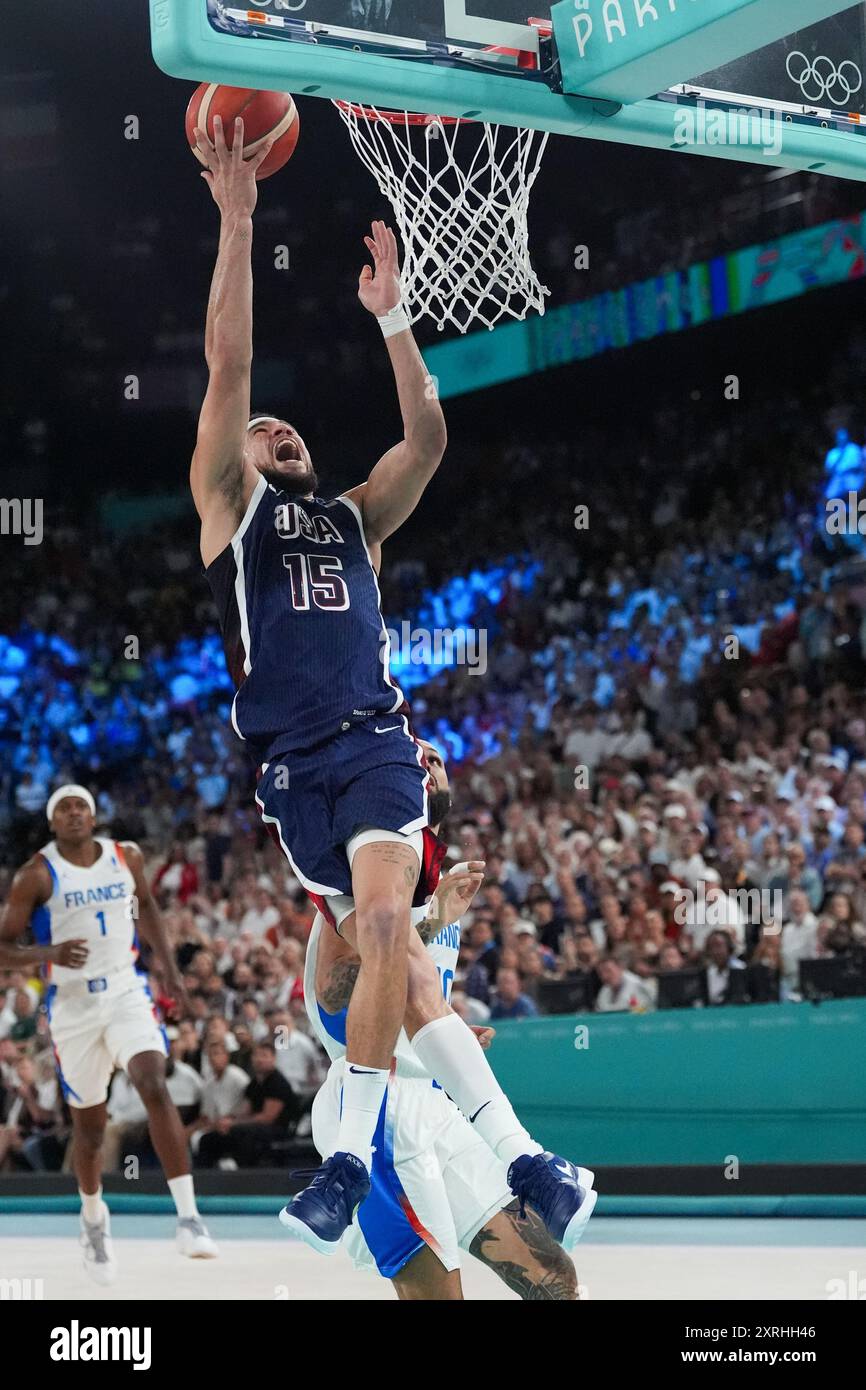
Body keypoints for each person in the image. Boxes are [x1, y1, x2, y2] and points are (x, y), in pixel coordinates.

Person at [191, 118, 591, 1252]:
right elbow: (228, 368)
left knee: (382, 919)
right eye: (258, 429)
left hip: (373, 741)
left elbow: (427, 435)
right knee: (393, 959)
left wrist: (393, 320)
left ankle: (346, 1159)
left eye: (284, 426)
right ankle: (525, 1161)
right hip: (289, 772)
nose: (270, 427)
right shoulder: (237, 512)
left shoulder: (355, 519)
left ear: (312, 455)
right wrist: (236, 220)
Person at [303, 742, 588, 1298]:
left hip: (438, 1107)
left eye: (436, 759)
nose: (429, 766)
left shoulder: (434, 882)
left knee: (553, 1277)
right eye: (416, 761)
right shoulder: (355, 882)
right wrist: (430, 925)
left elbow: (414, 1000)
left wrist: (451, 1036)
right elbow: (333, 997)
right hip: (378, 1109)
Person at [0, 786, 218, 1284]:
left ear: (95, 815)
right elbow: (3, 947)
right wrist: (46, 955)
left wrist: (173, 977)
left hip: (126, 989)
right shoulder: (35, 874)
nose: (74, 813)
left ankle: (188, 1217)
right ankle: (94, 1219)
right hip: (73, 1006)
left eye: (81, 806)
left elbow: (149, 912)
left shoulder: (128, 857)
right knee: (91, 1129)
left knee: (152, 1081)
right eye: (64, 808)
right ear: (52, 823)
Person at [196, 1041, 298, 1168]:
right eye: (256, 1055)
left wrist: (234, 1123)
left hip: (278, 1129)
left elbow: (267, 1118)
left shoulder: (278, 1083)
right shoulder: (254, 1083)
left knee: (241, 1132)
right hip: (252, 1127)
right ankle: (205, 1178)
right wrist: (227, 1121)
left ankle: (245, 1174)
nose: (259, 1059)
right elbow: (245, 1111)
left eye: (264, 1055)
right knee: (208, 1139)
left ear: (273, 1058)